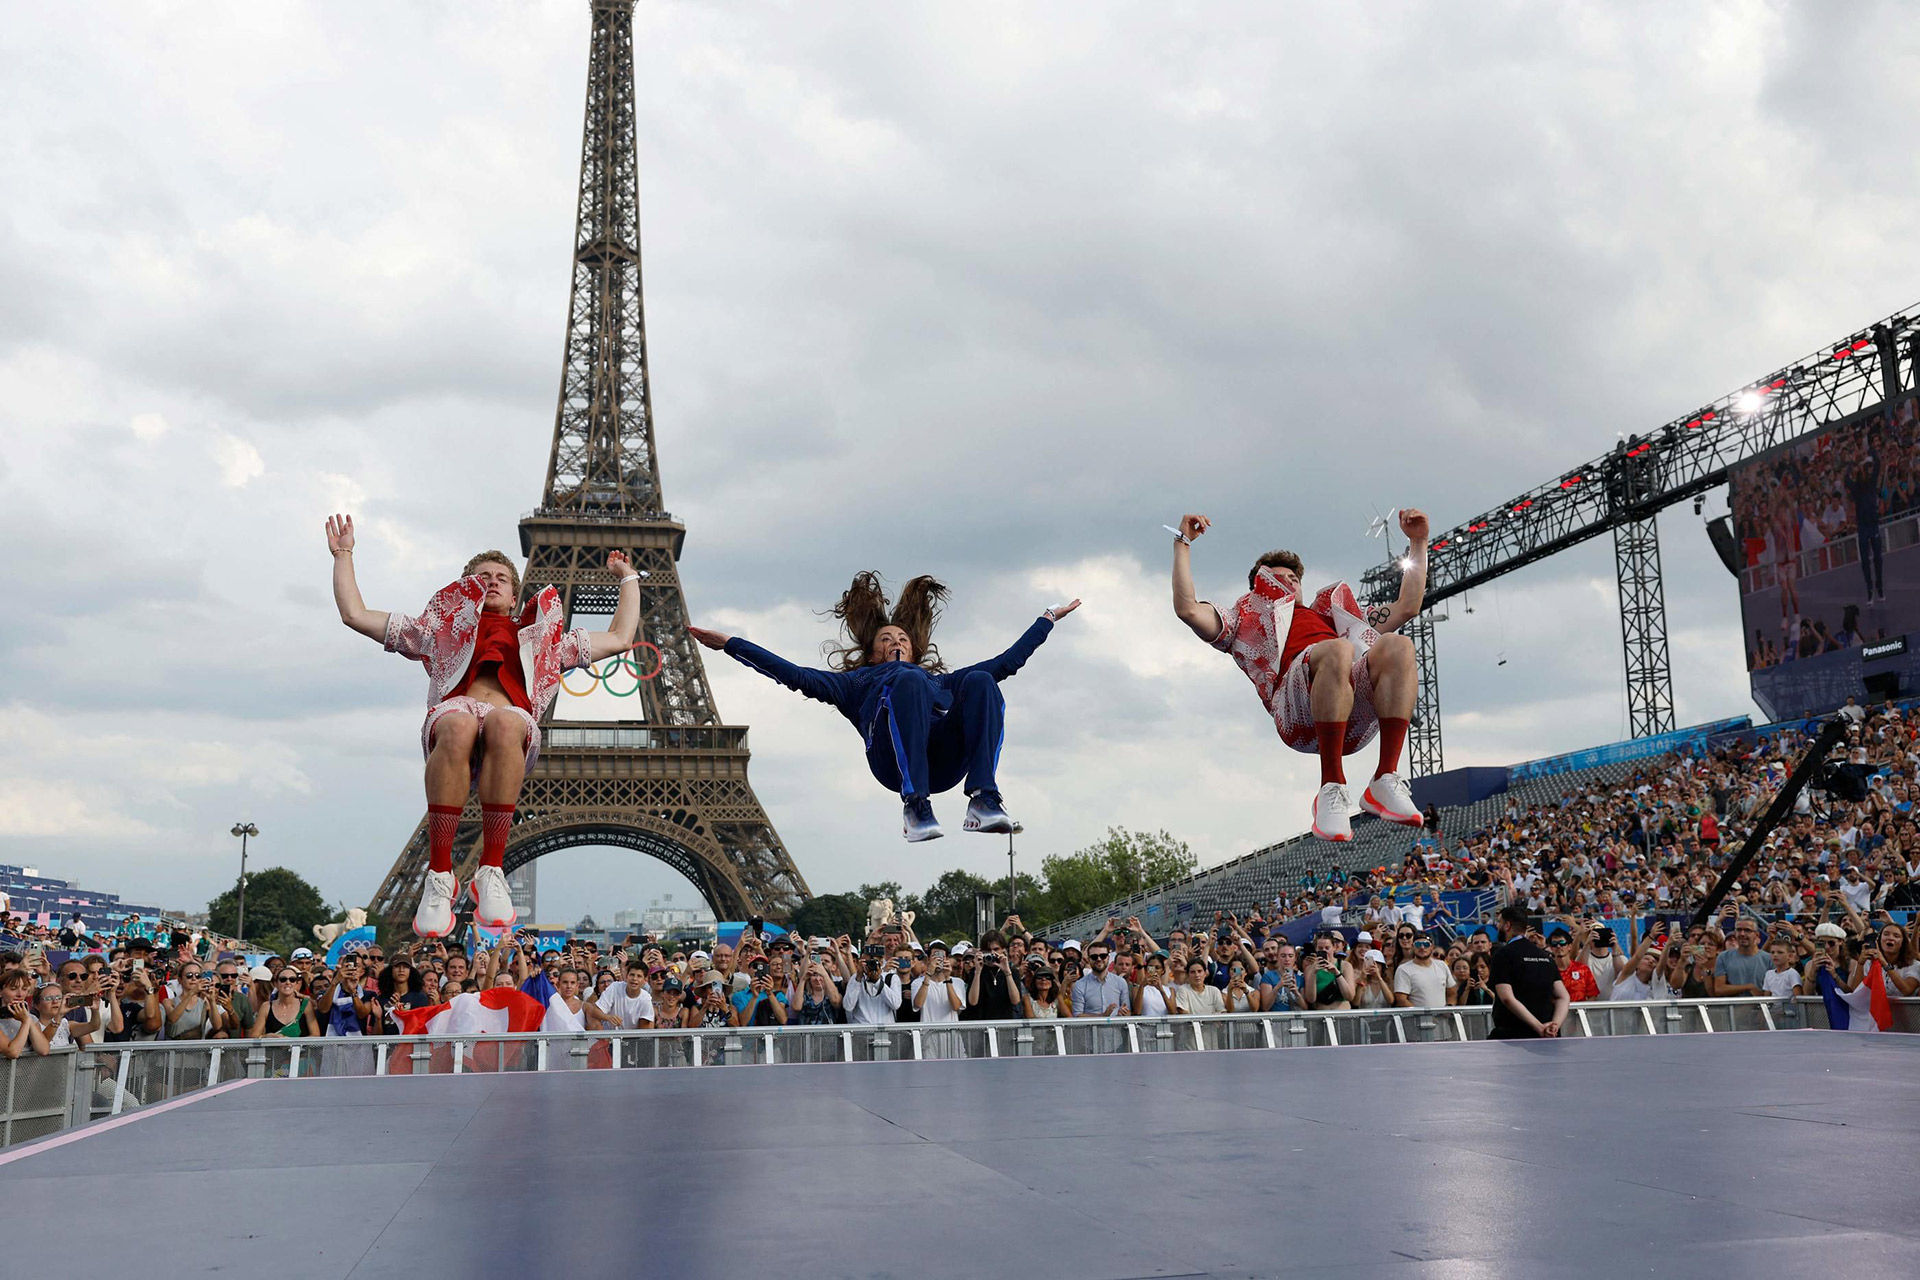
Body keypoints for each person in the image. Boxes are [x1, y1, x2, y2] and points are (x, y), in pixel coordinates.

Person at [325, 513, 641, 936]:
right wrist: (343, 554)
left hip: (510, 725)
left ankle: (490, 869)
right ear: (464, 591)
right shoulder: (438, 630)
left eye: (501, 577)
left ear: (514, 596)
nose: (492, 581)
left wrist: (628, 577)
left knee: (506, 724)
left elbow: (621, 637)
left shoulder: (543, 638)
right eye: (481, 577)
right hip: (455, 719)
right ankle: (440, 875)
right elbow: (354, 614)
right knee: (458, 724)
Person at [689, 572, 1080, 841]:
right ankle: (915, 806)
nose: (895, 641)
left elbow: (1008, 662)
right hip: (891, 762)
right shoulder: (855, 683)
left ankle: (982, 797)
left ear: (914, 649)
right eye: (886, 639)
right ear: (872, 653)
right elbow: (794, 675)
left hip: (942, 761)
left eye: (903, 639)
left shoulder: (938, 681)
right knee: (907, 682)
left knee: (981, 680)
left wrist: (1047, 619)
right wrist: (732, 644)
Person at [1169, 510, 1429, 841]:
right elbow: (1187, 608)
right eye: (1279, 578)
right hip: (1297, 714)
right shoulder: (1243, 618)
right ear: (1260, 587)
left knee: (1398, 646)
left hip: (1350, 715)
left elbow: (1407, 605)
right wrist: (1183, 544)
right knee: (1337, 651)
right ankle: (1331, 786)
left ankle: (1384, 777)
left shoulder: (1337, 616)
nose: (1290, 582)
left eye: (1295, 579)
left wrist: (1418, 541)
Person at [1488, 906, 1569, 1039]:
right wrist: (1554, 1026)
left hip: (1512, 1036)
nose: (1498, 927)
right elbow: (1563, 996)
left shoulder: (1503, 955)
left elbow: (1507, 997)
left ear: (1507, 925)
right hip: (1547, 1037)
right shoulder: (1545, 956)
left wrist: (1539, 1027)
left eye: (1499, 922)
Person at [1391, 932, 1455, 1009]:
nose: (1422, 947)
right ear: (1413, 947)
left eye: (1426, 944)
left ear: (1432, 947)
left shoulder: (1442, 965)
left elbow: (1452, 993)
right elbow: (1401, 1000)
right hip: (1417, 1020)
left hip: (1442, 1019)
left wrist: (1448, 1008)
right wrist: (1424, 1015)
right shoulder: (1403, 969)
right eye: (1418, 944)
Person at [251, 969, 320, 1038]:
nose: (288, 982)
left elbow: (315, 1035)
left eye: (292, 980)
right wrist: (267, 1037)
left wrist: (293, 1043)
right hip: (273, 1048)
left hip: (301, 1048)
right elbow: (254, 1036)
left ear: (297, 984)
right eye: (283, 979)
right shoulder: (266, 1006)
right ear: (276, 983)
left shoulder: (306, 1005)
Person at [594, 958, 657, 1030]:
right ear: (626, 976)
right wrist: (608, 1017)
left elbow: (644, 1029)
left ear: (645, 980)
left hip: (633, 1039)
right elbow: (596, 1011)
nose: (634, 979)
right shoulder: (614, 987)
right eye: (632, 975)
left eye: (639, 976)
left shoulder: (646, 998)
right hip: (609, 1037)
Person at [1070, 942, 1131, 1017]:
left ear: (1108, 958)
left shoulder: (1120, 982)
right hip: (1091, 1028)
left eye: (1103, 956)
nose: (1099, 959)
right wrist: (1103, 1016)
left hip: (1117, 1027)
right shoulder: (1080, 985)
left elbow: (1128, 1012)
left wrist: (1123, 1012)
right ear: (1088, 959)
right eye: (1094, 957)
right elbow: (1077, 1015)